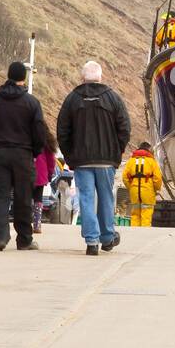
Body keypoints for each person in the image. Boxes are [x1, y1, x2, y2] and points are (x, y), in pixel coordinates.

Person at [56, 60, 131, 256]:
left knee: (86, 199)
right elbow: (124, 128)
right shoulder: (113, 98)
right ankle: (107, 238)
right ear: (100, 77)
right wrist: (117, 151)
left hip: (82, 160)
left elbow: (62, 131)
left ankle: (91, 241)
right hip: (106, 160)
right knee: (106, 198)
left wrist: (70, 156)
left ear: (82, 78)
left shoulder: (72, 99)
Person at [0, 61, 47, 251]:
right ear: (23, 78)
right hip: (23, 154)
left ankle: (0, 236)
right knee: (23, 197)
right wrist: (35, 152)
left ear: (8, 76)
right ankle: (24, 239)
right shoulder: (31, 102)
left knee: (1, 196)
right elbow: (39, 132)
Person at [122, 141, 163, 227]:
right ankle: (144, 234)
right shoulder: (152, 161)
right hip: (147, 191)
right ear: (148, 150)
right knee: (146, 214)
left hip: (134, 191)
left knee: (135, 214)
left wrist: (131, 187)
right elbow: (157, 178)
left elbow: (125, 177)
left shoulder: (131, 161)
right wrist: (155, 189)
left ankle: (135, 234)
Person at [32, 127, 59, 233]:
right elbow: (51, 161)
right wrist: (49, 174)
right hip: (40, 173)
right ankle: (37, 224)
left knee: (25, 198)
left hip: (26, 171)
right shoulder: (46, 140)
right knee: (38, 199)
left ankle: (25, 221)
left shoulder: (27, 136)